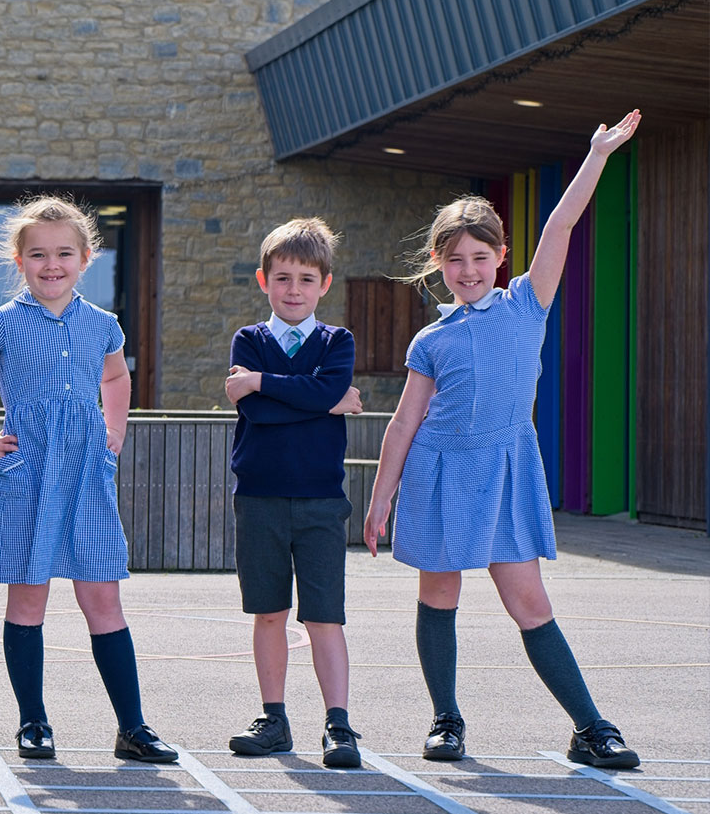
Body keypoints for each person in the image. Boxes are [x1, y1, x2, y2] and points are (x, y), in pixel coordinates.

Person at [365, 110, 644, 770]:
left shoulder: (526, 304)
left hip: (507, 470)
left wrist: (597, 154)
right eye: (455, 259)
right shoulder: (431, 340)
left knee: (530, 603)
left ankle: (592, 727)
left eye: (480, 257)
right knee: (439, 597)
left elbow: (561, 225)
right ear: (438, 264)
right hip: (439, 474)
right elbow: (404, 422)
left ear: (500, 257)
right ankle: (446, 721)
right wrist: (380, 498)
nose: (469, 270)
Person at [0, 196, 177, 764]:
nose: (52, 265)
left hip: (88, 476)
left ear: (86, 258)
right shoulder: (1, 323)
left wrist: (114, 431)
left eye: (65, 253)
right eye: (39, 254)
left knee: (103, 599)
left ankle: (133, 728)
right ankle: (34, 723)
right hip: (28, 475)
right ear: (19, 260)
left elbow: (115, 378)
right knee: (28, 599)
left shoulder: (103, 325)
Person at [222, 218, 366, 767]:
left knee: (324, 616)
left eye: (306, 279)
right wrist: (323, 401)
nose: (293, 289)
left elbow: (295, 394)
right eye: (282, 278)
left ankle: (339, 725)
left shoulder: (337, 341)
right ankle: (274, 719)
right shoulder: (249, 340)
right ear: (264, 280)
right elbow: (259, 413)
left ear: (324, 284)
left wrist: (261, 383)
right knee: (268, 613)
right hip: (259, 497)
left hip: (321, 501)